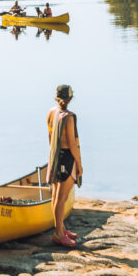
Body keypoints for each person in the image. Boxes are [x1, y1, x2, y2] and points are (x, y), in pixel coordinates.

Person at [46, 83, 83, 248]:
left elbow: (50, 136)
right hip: (67, 158)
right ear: (70, 98)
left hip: (55, 156)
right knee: (61, 198)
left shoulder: (51, 112)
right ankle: (59, 234)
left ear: (56, 97)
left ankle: (60, 228)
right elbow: (73, 145)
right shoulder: (69, 117)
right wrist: (79, 165)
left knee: (56, 196)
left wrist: (53, 157)